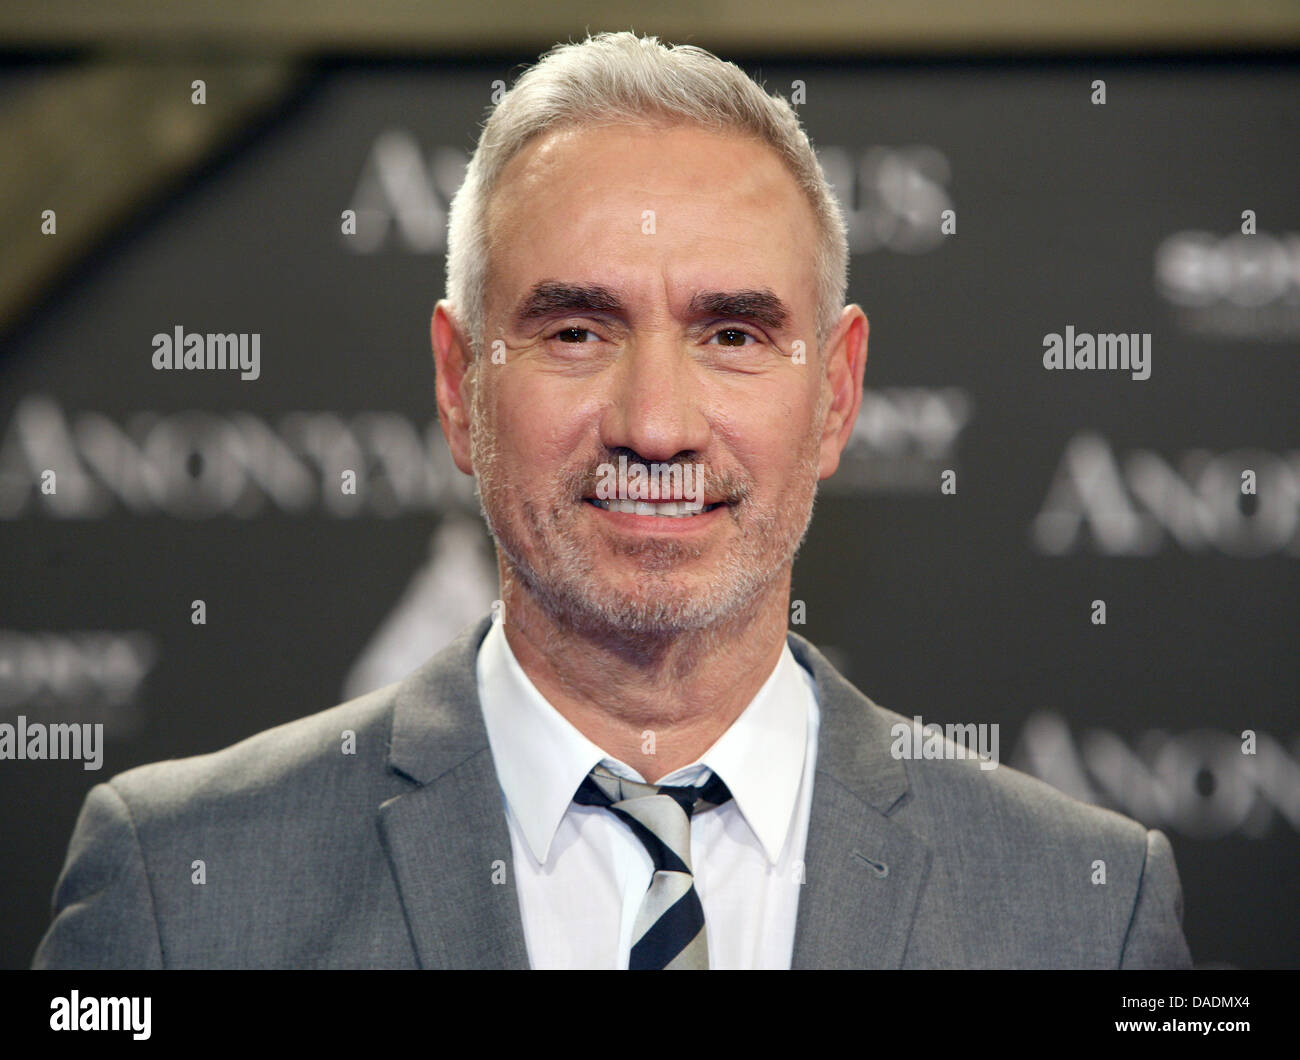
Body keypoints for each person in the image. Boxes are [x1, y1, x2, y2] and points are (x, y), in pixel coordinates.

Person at [33, 31, 1191, 970]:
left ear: (835, 394)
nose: (656, 423)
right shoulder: (179, 890)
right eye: (576, 331)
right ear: (458, 384)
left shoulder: (1083, 910)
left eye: (732, 334)